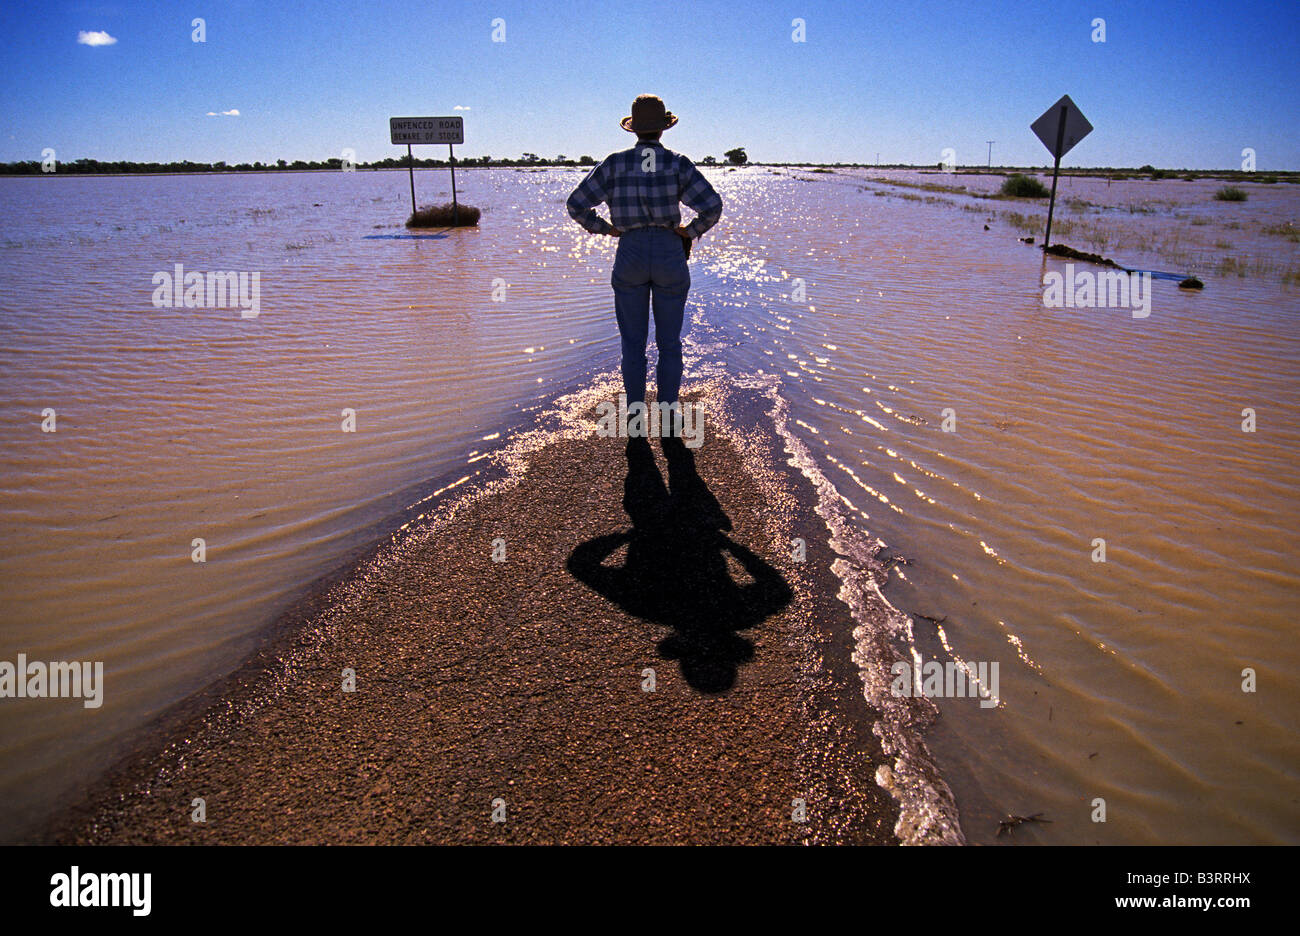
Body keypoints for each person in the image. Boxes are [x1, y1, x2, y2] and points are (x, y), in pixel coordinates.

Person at [566, 95, 722, 433]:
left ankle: (635, 419)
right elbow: (712, 206)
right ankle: (667, 417)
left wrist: (606, 229)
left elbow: (576, 204)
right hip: (669, 249)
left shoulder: (614, 163)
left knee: (632, 343)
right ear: (663, 129)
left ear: (634, 130)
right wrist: (689, 231)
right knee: (670, 342)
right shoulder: (678, 163)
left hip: (631, 249)